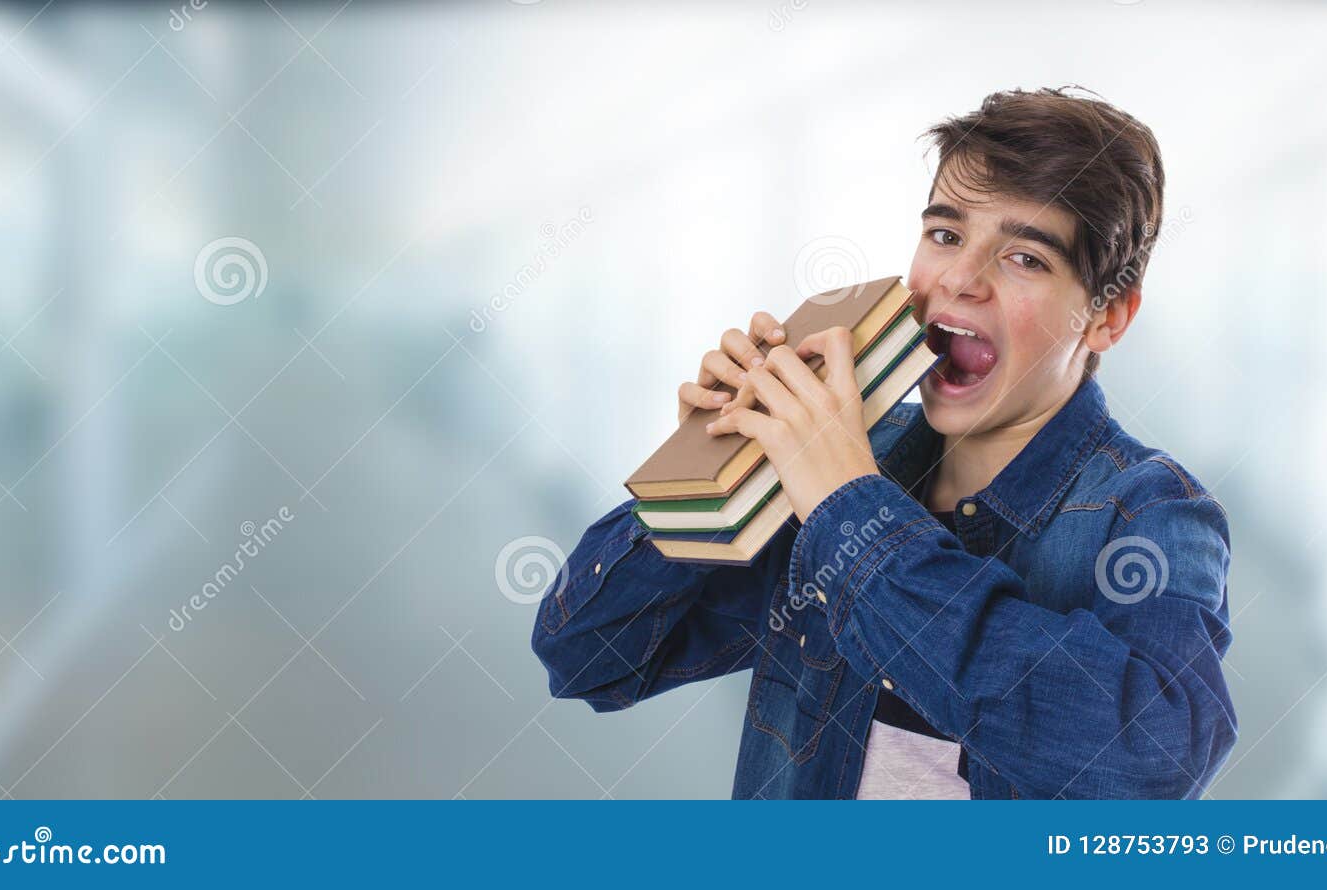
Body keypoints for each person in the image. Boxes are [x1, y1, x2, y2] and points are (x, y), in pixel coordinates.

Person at [530, 87, 1236, 799]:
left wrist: (849, 509)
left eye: (1024, 258)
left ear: (1107, 317)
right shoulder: (831, 450)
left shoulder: (1152, 511)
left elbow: (1154, 763)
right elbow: (584, 655)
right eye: (946, 235)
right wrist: (710, 472)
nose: (961, 278)